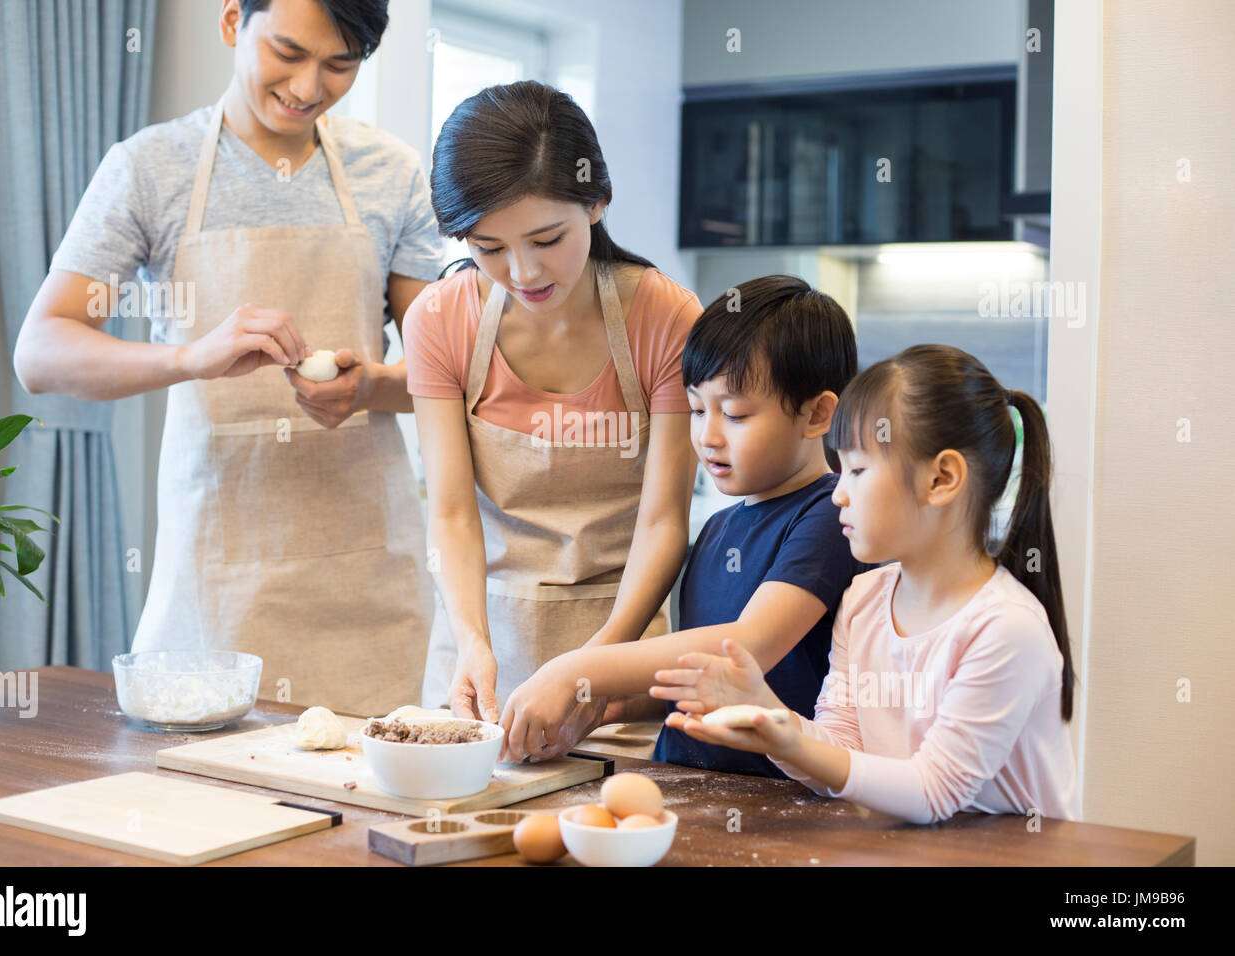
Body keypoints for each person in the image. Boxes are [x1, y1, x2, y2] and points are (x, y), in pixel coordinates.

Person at [13, 0, 442, 715]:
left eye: (340, 64)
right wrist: (188, 358)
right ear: (232, 22)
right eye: (287, 52)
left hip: (366, 589)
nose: (309, 87)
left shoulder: (389, 173)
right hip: (215, 587)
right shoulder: (149, 169)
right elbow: (42, 351)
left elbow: (443, 376)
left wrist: (371, 389)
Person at [402, 81, 702, 758]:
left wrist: (590, 669)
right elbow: (451, 512)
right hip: (482, 646)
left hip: (624, 660)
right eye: (488, 248)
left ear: (596, 203)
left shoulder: (665, 318)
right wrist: (473, 642)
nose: (523, 270)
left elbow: (663, 522)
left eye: (546, 238)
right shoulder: (440, 320)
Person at [663, 345, 1081, 823]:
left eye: (858, 470)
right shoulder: (865, 600)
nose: (838, 492)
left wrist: (792, 739)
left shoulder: (1006, 628)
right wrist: (770, 720)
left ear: (941, 478)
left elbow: (933, 792)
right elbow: (841, 749)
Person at [503, 276, 873, 773]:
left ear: (817, 414)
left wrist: (574, 669)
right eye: (697, 409)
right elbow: (702, 681)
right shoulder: (719, 528)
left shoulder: (832, 515)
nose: (707, 436)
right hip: (688, 787)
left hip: (779, 801)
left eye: (736, 415)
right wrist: (607, 706)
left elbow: (745, 648)